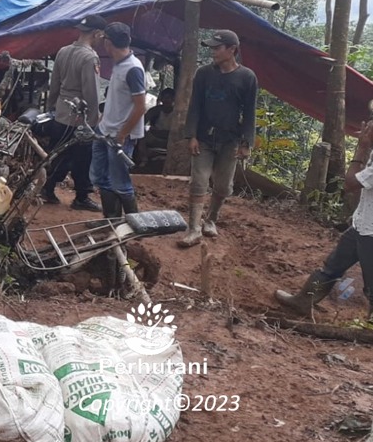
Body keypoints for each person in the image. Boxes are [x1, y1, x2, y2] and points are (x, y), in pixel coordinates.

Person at [275, 119, 373, 317]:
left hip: (371, 232)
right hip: (362, 224)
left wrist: (361, 149)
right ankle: (304, 300)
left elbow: (350, 184)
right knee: (332, 266)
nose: (366, 128)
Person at [178, 29, 259, 248]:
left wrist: (246, 142)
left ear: (232, 50)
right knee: (199, 181)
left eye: (217, 48)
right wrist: (191, 135)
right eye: (212, 48)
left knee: (223, 185)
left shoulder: (247, 77)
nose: (213, 52)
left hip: (229, 140)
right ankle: (193, 228)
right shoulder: (204, 73)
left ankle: (211, 219)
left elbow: (249, 112)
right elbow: (194, 105)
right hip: (203, 138)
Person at [41, 14, 106, 211]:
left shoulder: (63, 51)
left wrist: (51, 107)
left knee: (58, 153)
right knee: (82, 157)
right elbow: (91, 93)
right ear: (96, 34)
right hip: (79, 116)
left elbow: (55, 84)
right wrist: (93, 121)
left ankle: (48, 187)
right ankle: (82, 196)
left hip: (61, 111)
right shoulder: (90, 57)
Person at [92, 22, 147, 218]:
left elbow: (141, 106)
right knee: (100, 177)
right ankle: (111, 221)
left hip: (119, 135)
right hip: (105, 130)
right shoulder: (120, 64)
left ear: (109, 43)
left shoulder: (133, 69)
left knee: (120, 181)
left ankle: (135, 223)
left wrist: (122, 134)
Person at [136, 87, 176, 167]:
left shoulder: (178, 112)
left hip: (171, 138)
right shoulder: (155, 110)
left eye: (169, 98)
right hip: (155, 137)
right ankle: (144, 160)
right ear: (161, 99)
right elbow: (142, 123)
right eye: (165, 98)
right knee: (141, 136)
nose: (167, 100)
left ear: (174, 99)